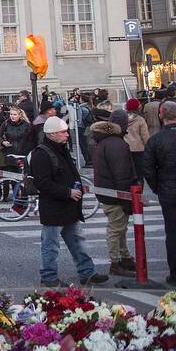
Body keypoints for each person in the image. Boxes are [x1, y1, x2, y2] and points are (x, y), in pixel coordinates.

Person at [29, 115, 108, 287]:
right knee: (51, 245)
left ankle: (87, 272)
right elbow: (42, 183)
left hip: (68, 207)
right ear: (51, 134)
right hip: (54, 207)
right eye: (63, 132)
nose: (67, 135)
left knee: (77, 242)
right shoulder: (42, 154)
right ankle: (48, 277)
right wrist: (67, 192)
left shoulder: (59, 149)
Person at [142, 101, 176, 287]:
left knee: (173, 234)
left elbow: (148, 168)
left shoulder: (156, 139)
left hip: (169, 190)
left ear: (161, 115)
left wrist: (158, 186)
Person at [89, 109, 137, 277]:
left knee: (119, 227)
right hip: (115, 192)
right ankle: (115, 262)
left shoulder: (103, 141)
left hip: (107, 190)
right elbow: (122, 173)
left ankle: (124, 257)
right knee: (116, 228)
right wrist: (126, 199)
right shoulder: (116, 144)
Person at [123, 98, 151, 180]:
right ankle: (138, 188)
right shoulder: (140, 120)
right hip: (138, 149)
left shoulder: (123, 118)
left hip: (125, 148)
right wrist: (148, 148)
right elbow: (145, 136)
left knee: (128, 171)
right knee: (139, 172)